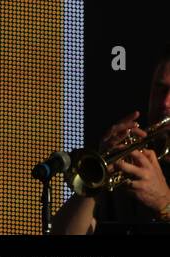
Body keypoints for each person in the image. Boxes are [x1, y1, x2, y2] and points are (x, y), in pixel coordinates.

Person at [52, 44, 170, 233]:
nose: (165, 102)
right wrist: (97, 175)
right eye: (160, 89)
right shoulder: (133, 162)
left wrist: (165, 204)